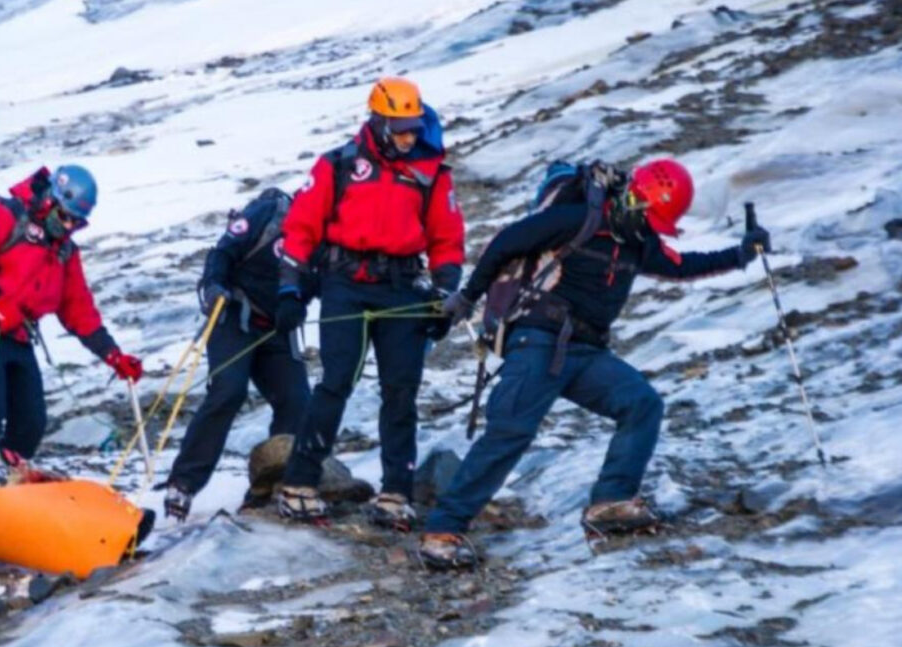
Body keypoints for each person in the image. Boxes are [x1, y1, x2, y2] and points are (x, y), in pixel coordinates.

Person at [419, 158, 772, 569]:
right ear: (631, 197)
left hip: (586, 350)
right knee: (510, 433)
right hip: (538, 339)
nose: (647, 227)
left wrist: (741, 254)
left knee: (641, 404)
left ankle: (611, 502)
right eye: (647, 217)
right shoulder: (575, 219)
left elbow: (681, 266)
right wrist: (467, 297)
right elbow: (506, 243)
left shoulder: (638, 238)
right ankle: (442, 529)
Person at [274, 77, 466, 530]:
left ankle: (396, 490)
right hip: (345, 284)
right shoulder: (337, 164)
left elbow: (447, 239)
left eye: (413, 127)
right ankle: (300, 480)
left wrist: (445, 292)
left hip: (403, 290)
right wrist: (289, 288)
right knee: (336, 382)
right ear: (377, 121)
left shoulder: (431, 172)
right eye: (399, 128)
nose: (408, 136)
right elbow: (300, 227)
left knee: (401, 391)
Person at [0, 164, 143, 484]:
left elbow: (79, 310)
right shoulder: (4, 214)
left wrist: (113, 355)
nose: (69, 226)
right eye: (65, 217)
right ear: (50, 200)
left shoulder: (64, 252)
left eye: (77, 222)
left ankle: (2, 479)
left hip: (16, 332)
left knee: (32, 421)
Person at [160, 189, 314, 520]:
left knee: (297, 401)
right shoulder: (270, 211)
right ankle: (183, 484)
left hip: (278, 329)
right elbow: (222, 253)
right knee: (228, 390)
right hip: (234, 315)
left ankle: (268, 489)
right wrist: (214, 286)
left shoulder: (328, 239)